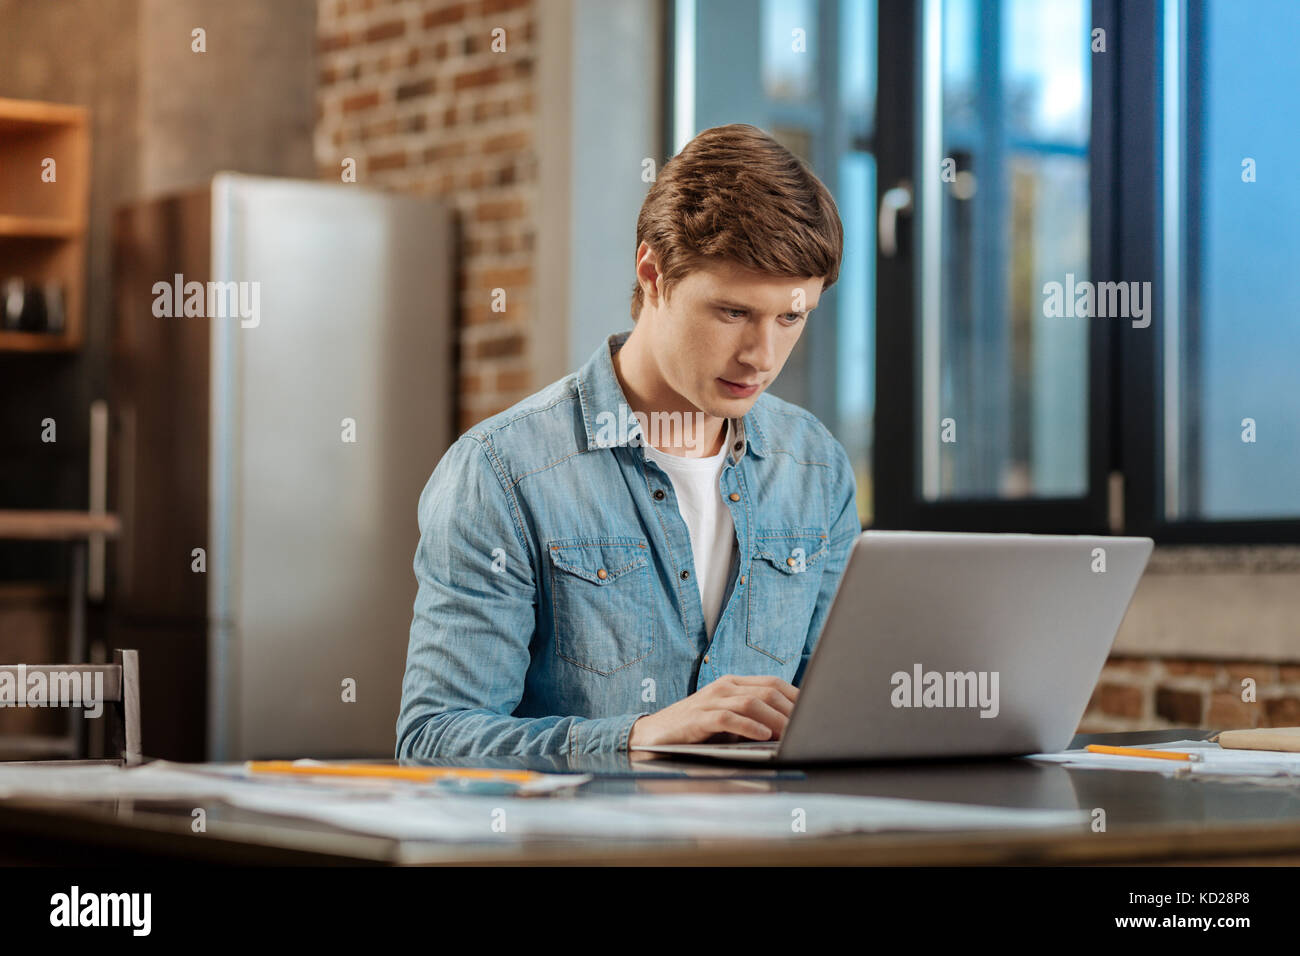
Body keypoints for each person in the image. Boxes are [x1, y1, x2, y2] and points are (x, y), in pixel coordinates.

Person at [397, 123, 858, 758]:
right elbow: (434, 740)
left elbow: (841, 713)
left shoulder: (815, 467)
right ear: (653, 275)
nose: (762, 356)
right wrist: (636, 737)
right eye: (733, 313)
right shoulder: (502, 473)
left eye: (790, 317)